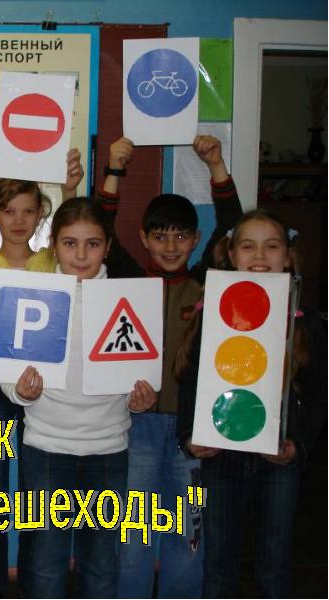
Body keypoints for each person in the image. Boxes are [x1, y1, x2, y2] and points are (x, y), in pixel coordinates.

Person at [99, 136, 243, 598]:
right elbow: (101, 223)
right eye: (159, 236)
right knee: (134, 535)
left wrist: (216, 164)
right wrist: (115, 169)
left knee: (188, 533)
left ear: (196, 240)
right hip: (136, 427)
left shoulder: (205, 283)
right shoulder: (126, 278)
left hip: (191, 430)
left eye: (181, 236)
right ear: (144, 239)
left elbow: (232, 225)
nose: (170, 245)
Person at [0, 197, 157, 598]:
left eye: (92, 244)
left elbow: (137, 378)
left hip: (107, 449)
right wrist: (20, 390)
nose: (81, 255)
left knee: (101, 562)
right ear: (54, 245)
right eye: (70, 243)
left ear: (108, 247)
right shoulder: (33, 295)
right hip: (46, 447)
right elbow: (9, 372)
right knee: (45, 561)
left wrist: (139, 399)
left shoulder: (130, 301)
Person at [176, 209, 326, 598]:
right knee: (218, 565)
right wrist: (189, 436)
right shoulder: (211, 315)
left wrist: (298, 445)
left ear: (288, 256)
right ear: (231, 255)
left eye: (271, 246)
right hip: (220, 457)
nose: (259, 256)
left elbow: (318, 396)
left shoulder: (309, 323)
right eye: (248, 246)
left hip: (279, 460)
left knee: (273, 565)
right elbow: (191, 383)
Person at [0, 147, 81, 596]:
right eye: (8, 210)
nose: (18, 220)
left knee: (38, 490)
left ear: (41, 215)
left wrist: (71, 190)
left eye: (28, 211)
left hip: (43, 387)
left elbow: (74, 234)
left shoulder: (50, 260)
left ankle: (36, 581)